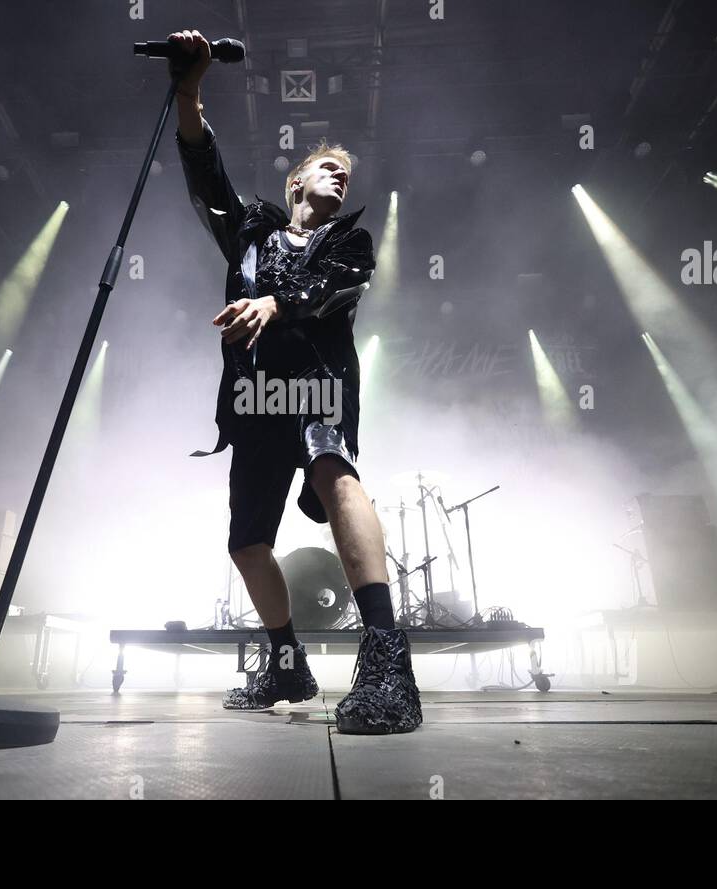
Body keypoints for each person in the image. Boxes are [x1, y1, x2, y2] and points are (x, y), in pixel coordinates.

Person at [170, 29, 421, 733]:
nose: (341, 176)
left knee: (333, 468)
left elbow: (336, 289)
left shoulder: (350, 242)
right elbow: (206, 175)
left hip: (317, 383)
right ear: (295, 182)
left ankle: (385, 652)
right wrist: (189, 89)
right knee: (246, 541)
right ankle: (287, 661)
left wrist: (275, 302)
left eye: (346, 172)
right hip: (255, 400)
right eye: (328, 168)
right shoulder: (252, 234)